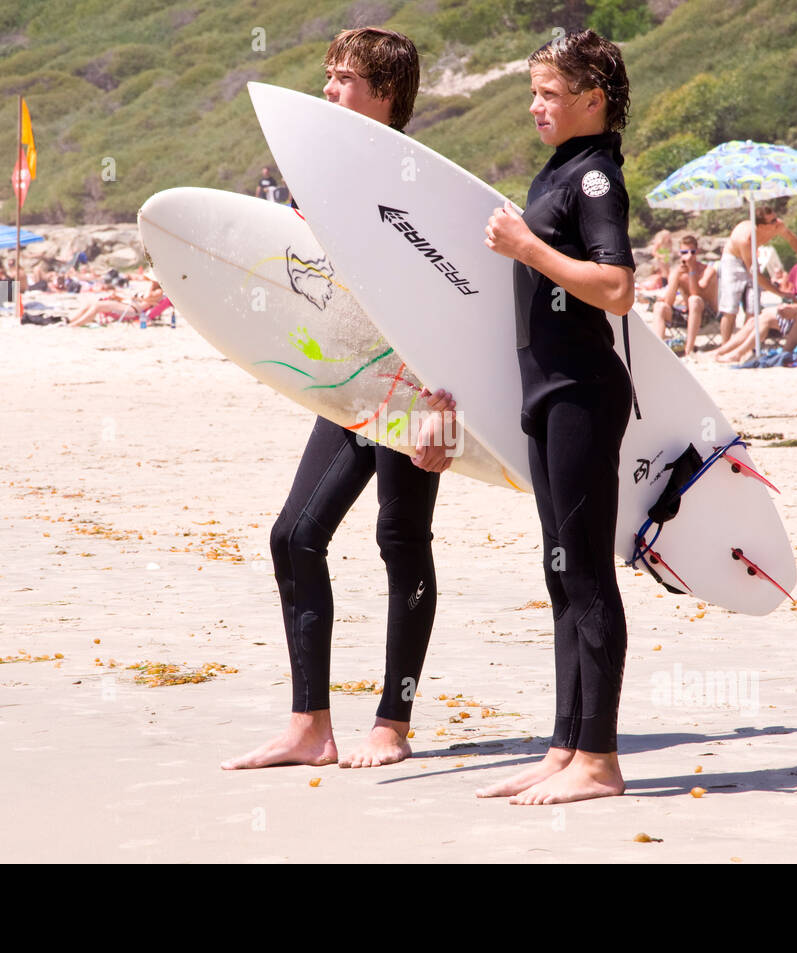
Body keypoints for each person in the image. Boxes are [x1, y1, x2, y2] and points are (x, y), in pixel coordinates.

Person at [221, 27, 456, 773]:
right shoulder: (320, 173)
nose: (328, 89)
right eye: (327, 74)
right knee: (294, 535)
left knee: (400, 540)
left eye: (344, 78)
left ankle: (393, 720)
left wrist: (440, 403)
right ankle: (310, 724)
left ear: (385, 96)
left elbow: (449, 296)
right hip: (354, 381)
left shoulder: (414, 181)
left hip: (414, 386)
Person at [478, 30, 635, 804]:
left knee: (589, 572)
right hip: (547, 391)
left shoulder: (596, 178)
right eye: (534, 92)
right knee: (560, 569)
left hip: (580, 389)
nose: (536, 105)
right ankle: (567, 743)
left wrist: (526, 248)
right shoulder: (559, 170)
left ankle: (601, 761)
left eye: (549, 92)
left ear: (591, 101)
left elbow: (615, 287)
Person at [716, 203, 797, 344]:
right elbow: (755, 274)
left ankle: (746, 344)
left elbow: (792, 240)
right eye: (772, 221)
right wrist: (780, 293)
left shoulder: (777, 226)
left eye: (776, 218)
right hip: (733, 260)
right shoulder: (746, 239)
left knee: (753, 307)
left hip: (752, 258)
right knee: (730, 308)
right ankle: (725, 345)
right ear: (761, 226)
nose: (777, 222)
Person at [649, 233, 716, 355]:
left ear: (698, 252)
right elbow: (668, 302)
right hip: (687, 315)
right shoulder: (678, 272)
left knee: (694, 300)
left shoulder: (708, 270)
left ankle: (688, 350)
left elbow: (696, 293)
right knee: (659, 306)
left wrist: (692, 271)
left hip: (707, 315)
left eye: (692, 252)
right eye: (685, 252)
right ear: (680, 253)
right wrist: (675, 277)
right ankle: (657, 349)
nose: (688, 256)